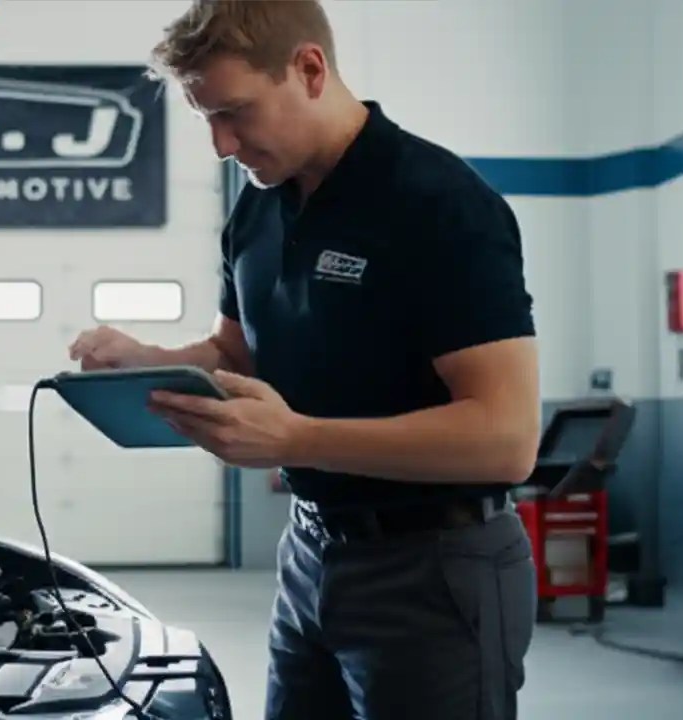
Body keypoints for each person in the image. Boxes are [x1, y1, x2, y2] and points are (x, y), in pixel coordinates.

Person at [68, 1, 540, 718]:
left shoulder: (439, 203)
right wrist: (149, 359)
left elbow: (506, 439)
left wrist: (299, 440)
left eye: (234, 113)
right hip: (311, 556)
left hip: (435, 565)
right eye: (206, 119)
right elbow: (237, 353)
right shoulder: (257, 209)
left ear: (309, 70)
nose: (221, 145)